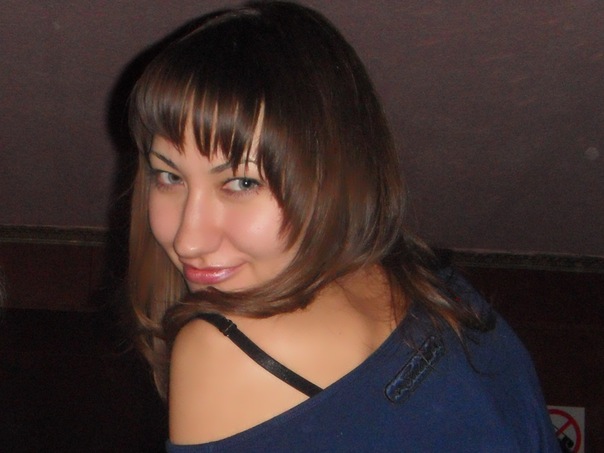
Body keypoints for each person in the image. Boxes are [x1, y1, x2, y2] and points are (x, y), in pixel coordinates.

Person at [127, 2, 561, 451]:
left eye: (242, 182)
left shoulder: (226, 350)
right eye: (169, 177)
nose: (188, 239)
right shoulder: (437, 289)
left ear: (332, 176)